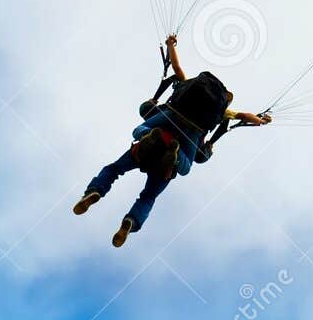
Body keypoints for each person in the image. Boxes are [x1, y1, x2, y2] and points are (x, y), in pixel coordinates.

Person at [73, 33, 271, 247]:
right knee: (153, 193)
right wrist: (260, 120)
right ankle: (133, 217)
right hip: (191, 135)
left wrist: (170, 44)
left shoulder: (187, 86)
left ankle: (98, 188)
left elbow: (176, 67)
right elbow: (244, 116)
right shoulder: (223, 112)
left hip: (171, 117)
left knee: (118, 162)